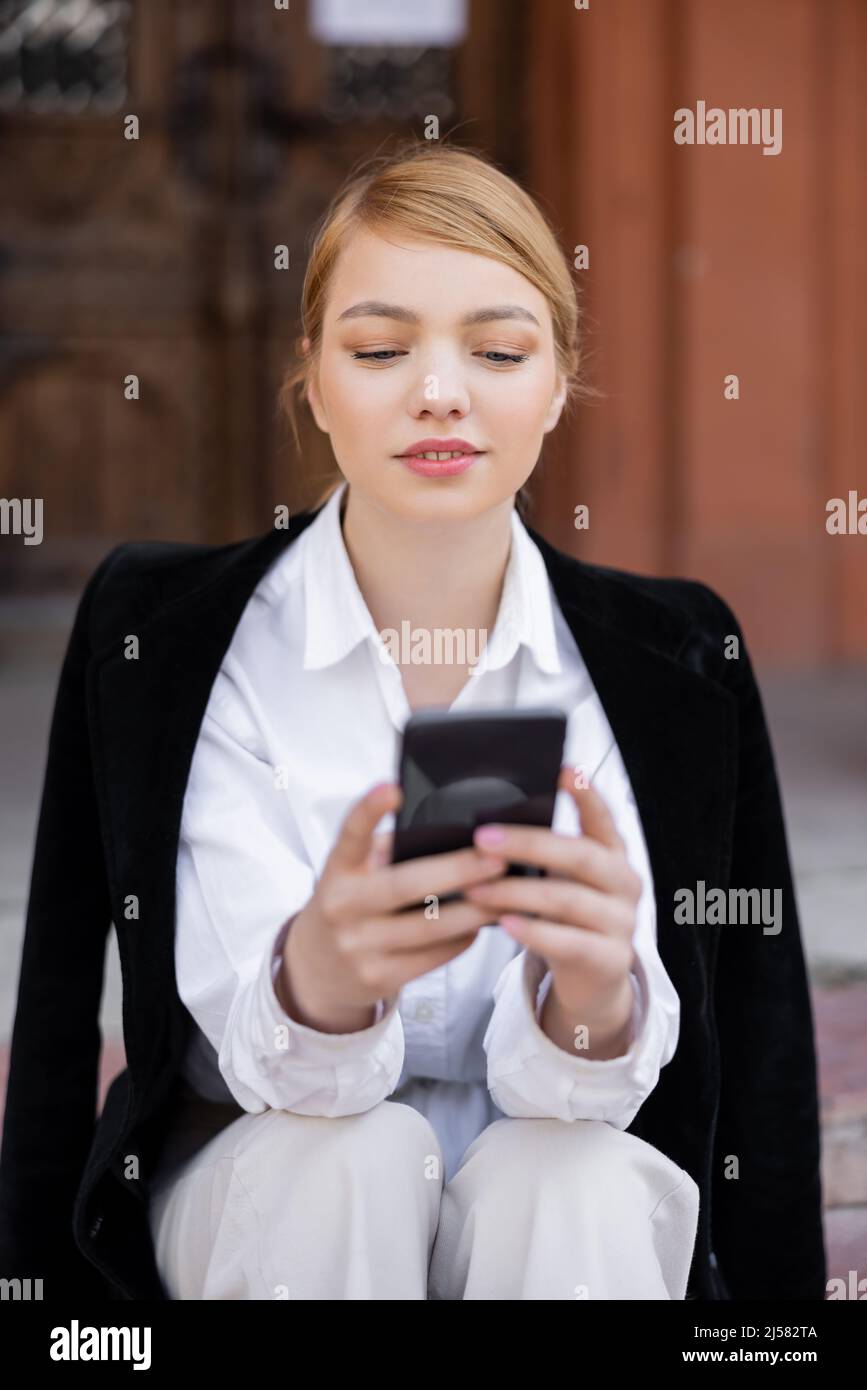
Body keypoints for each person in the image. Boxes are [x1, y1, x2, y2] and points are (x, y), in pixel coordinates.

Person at [0, 141, 825, 1302]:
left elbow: (767, 1048)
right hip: (264, 1190)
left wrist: (595, 1003)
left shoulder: (675, 655)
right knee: (342, 1153)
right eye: (381, 349)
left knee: (571, 1175)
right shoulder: (171, 631)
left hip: (556, 1209)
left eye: (496, 349)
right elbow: (54, 1020)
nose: (439, 391)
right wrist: (318, 982)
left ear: (557, 380)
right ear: (315, 377)